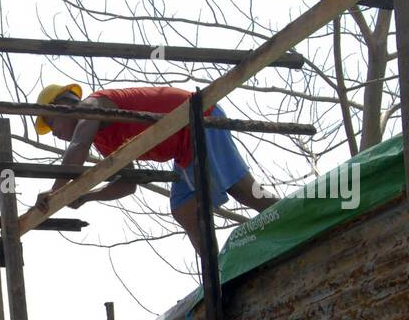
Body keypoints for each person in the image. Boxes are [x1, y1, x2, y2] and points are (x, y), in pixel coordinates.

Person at [33, 82, 274, 253]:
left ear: (64, 105)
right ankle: (219, 275)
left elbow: (77, 147)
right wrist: (87, 196)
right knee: (185, 209)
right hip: (184, 147)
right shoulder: (103, 139)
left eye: (52, 122)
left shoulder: (92, 106)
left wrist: (56, 193)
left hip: (199, 117)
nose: (54, 132)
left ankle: (297, 215)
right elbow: (127, 184)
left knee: (241, 189)